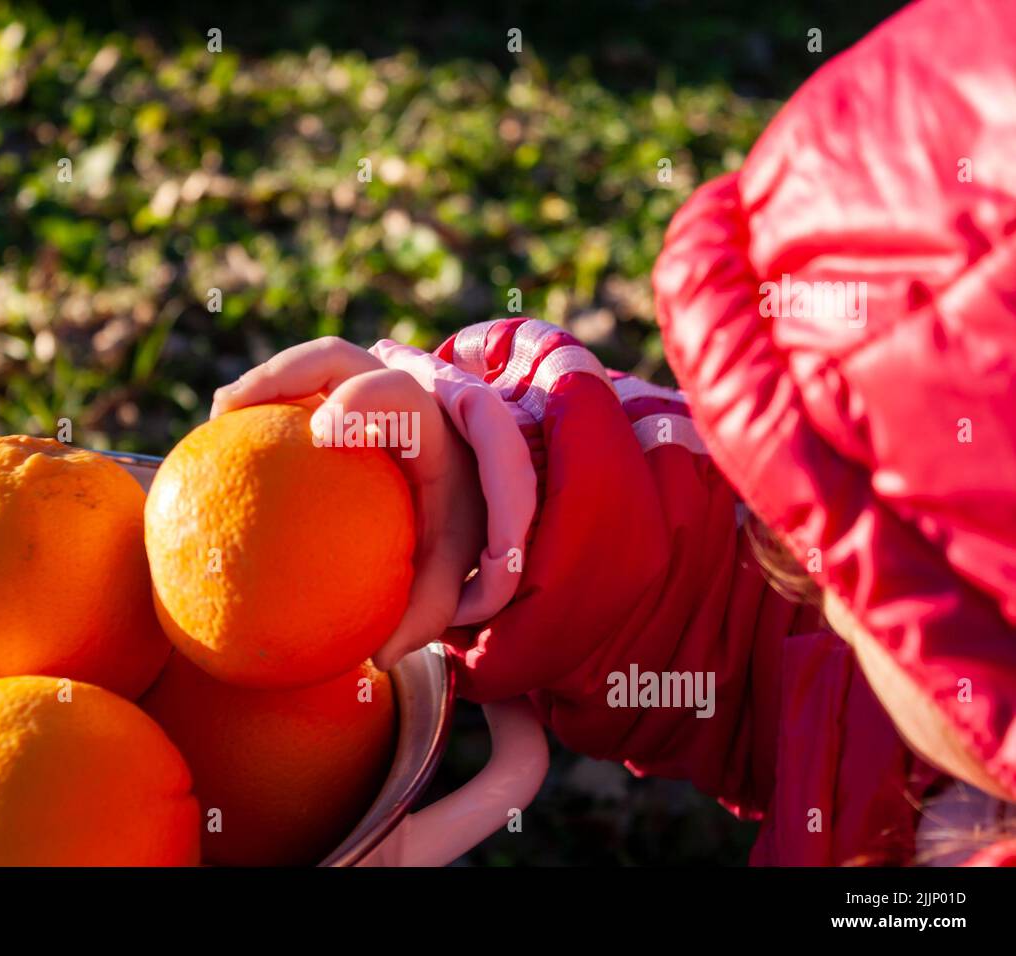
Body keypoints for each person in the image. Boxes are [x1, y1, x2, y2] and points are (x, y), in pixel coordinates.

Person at [211, 0, 1016, 865]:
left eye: (864, 578)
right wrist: (516, 501)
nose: (821, 585)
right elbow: (760, 646)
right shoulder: (941, 715)